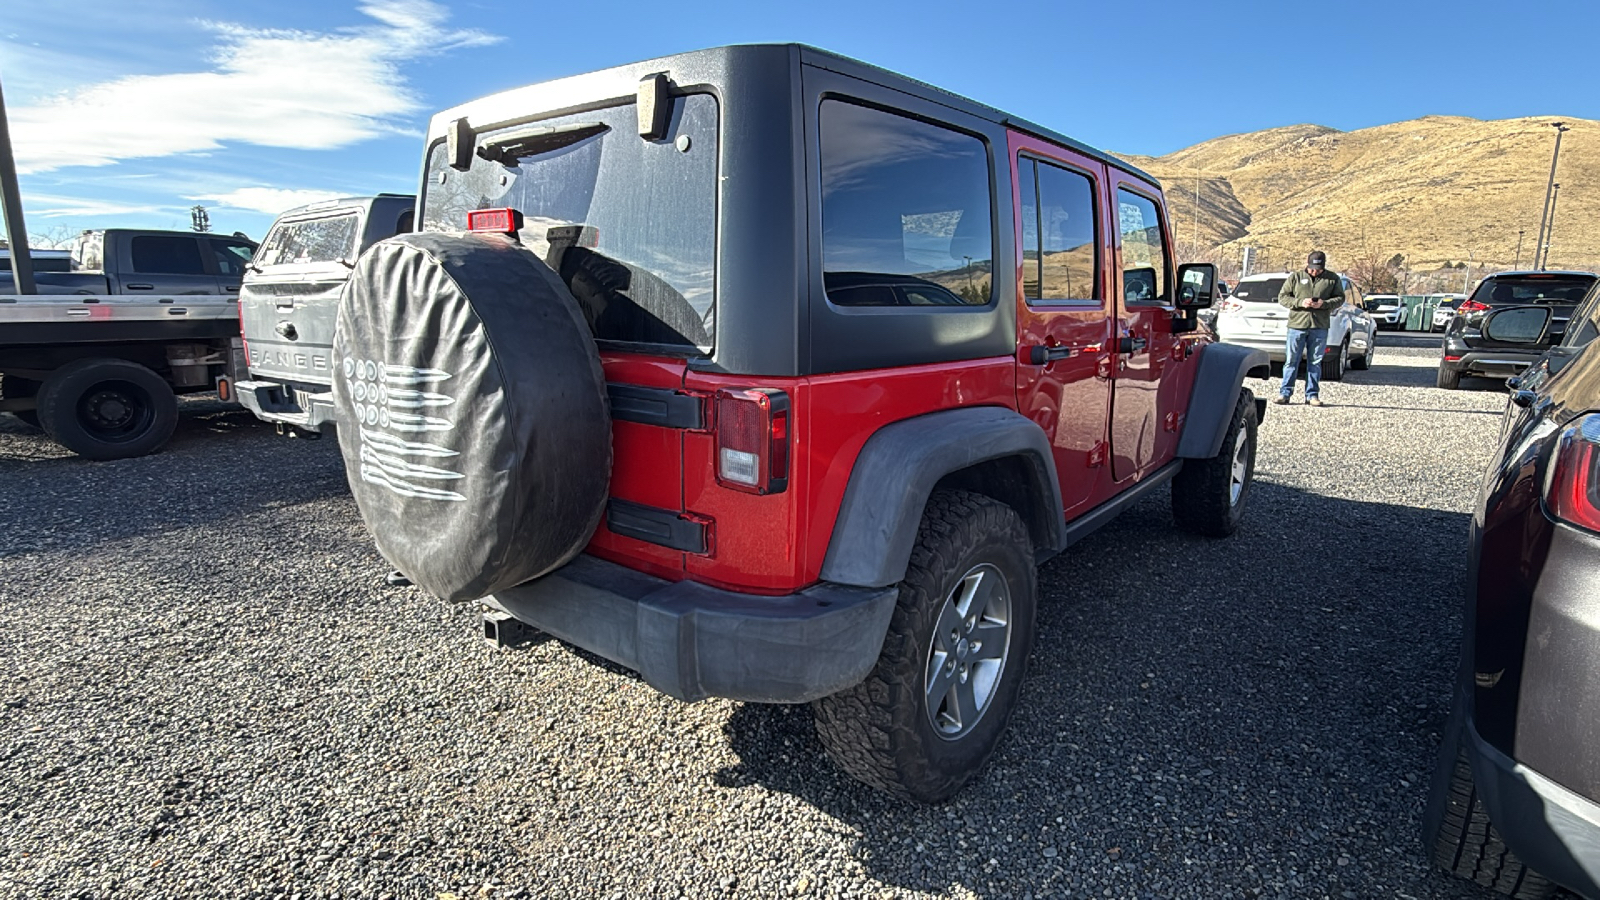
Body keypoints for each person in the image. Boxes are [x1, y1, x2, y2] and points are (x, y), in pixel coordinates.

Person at [1275, 250, 1345, 406]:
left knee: (1315, 362)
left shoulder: (1332, 279)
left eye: (1319, 269)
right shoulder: (1295, 277)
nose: (1315, 271)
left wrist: (1324, 304)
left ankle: (1312, 395)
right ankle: (1285, 393)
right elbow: (1283, 297)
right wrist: (1300, 302)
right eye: (1313, 268)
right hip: (1297, 325)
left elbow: (1340, 298)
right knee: (1291, 361)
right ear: (1308, 264)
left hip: (1319, 326)